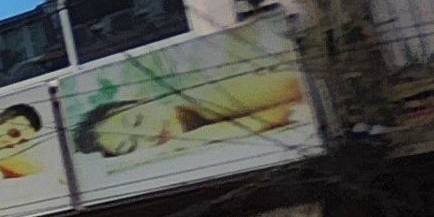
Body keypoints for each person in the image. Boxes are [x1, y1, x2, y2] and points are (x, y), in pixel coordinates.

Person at [69, 67, 305, 158]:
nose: (150, 135)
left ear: (144, 100)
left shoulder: (201, 96)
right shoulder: (189, 151)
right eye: (131, 146)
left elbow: (293, 93)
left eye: (138, 121)